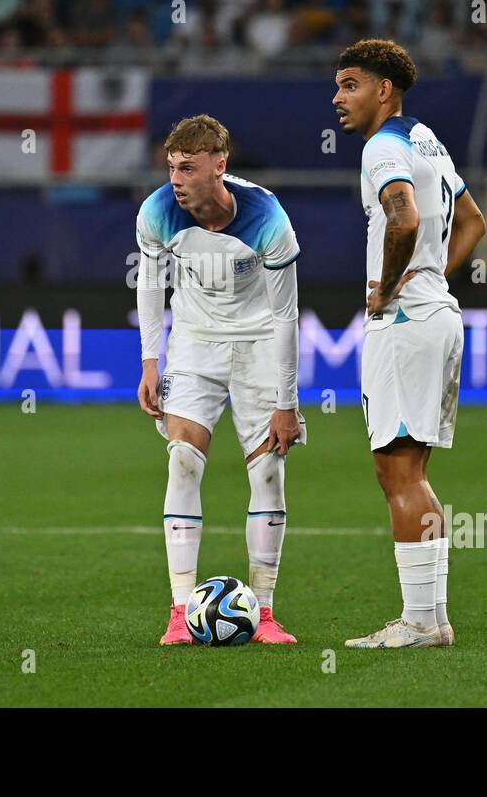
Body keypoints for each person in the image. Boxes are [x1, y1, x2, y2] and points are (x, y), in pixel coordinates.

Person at [331, 39, 486, 649]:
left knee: (395, 471)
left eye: (349, 84)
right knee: (411, 471)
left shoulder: (384, 147)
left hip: (404, 322)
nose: (337, 98)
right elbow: (474, 220)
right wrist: (433, 278)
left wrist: (391, 287)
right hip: (438, 315)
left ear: (383, 90)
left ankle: (422, 622)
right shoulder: (429, 141)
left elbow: (404, 219)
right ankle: (431, 618)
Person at [135, 114, 304, 646]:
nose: (176, 179)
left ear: (220, 166)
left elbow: (286, 316)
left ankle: (267, 615)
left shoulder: (268, 217)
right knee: (182, 458)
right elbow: (149, 285)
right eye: (171, 167)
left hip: (258, 344)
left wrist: (287, 402)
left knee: (269, 472)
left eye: (187, 167)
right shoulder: (158, 211)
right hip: (193, 342)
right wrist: (150, 361)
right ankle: (180, 611)